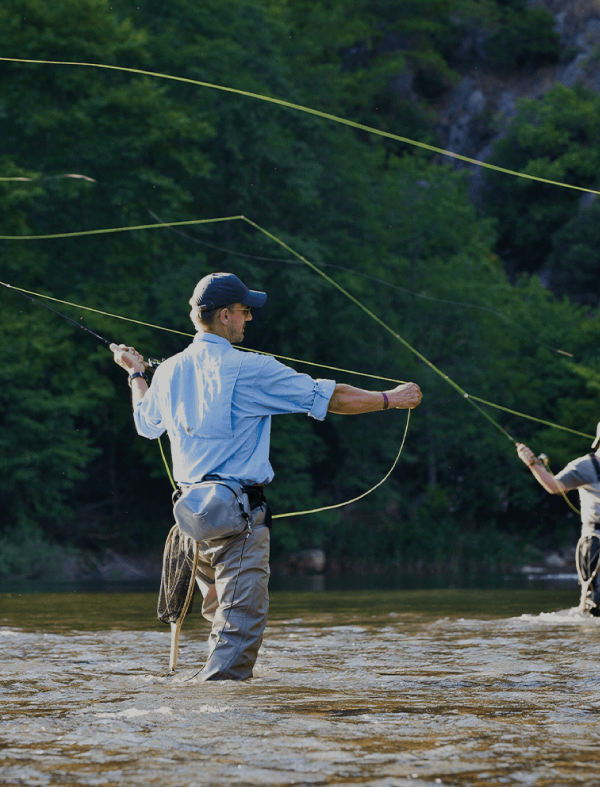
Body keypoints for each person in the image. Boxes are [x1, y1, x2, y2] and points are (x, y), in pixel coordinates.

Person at [111, 272, 423, 680]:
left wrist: (136, 375)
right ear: (225, 316)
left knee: (222, 622)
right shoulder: (250, 368)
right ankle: (218, 721)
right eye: (244, 312)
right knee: (238, 638)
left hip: (194, 524)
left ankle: (207, 706)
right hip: (239, 522)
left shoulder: (167, 371)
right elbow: (332, 398)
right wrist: (391, 399)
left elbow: (145, 423)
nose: (248, 319)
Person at [517, 429, 600, 613]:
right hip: (595, 542)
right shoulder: (585, 466)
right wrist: (531, 463)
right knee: (595, 605)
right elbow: (554, 486)